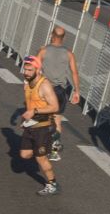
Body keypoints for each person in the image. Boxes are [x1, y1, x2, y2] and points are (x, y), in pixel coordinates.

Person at [15, 56, 61, 195]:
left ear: (38, 70)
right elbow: (30, 104)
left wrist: (34, 111)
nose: (26, 72)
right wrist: (25, 119)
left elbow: (55, 107)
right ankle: (49, 146)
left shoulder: (44, 85)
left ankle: (53, 184)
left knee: (41, 158)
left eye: (30, 70)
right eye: (25, 69)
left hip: (43, 127)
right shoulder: (27, 82)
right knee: (24, 154)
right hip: (31, 125)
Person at [34, 27, 81, 157]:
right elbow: (74, 73)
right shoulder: (69, 53)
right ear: (64, 38)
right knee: (57, 120)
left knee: (40, 117)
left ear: (51, 35)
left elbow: (35, 68)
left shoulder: (44, 51)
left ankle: (40, 145)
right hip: (60, 91)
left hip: (45, 89)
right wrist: (77, 91)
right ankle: (54, 150)